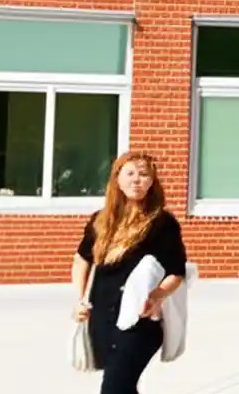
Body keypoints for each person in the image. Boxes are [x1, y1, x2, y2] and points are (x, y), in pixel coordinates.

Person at [72, 153, 187, 394]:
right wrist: (80, 299)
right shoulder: (100, 221)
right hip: (102, 318)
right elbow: (82, 260)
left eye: (144, 175)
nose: (137, 180)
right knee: (123, 386)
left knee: (114, 388)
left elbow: (177, 272)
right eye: (130, 173)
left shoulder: (162, 224)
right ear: (117, 180)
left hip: (140, 321)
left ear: (152, 182)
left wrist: (157, 296)